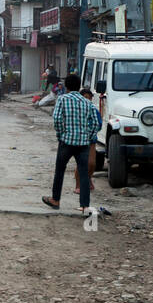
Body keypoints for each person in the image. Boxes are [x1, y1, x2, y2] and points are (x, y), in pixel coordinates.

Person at [43, 74, 101, 213]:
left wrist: (61, 134)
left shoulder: (63, 99)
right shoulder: (87, 102)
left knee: (60, 171)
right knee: (84, 174)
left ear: (67, 87)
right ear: (78, 86)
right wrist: (89, 136)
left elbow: (57, 119)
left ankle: (55, 200)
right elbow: (95, 123)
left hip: (66, 141)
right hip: (83, 143)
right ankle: (84, 205)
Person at [80, 86, 102, 176]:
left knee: (92, 164)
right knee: (81, 163)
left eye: (89, 98)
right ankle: (78, 184)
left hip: (92, 140)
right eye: (85, 97)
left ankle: (89, 179)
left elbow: (99, 125)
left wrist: (92, 131)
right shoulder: (78, 110)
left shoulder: (94, 110)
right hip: (80, 140)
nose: (88, 100)